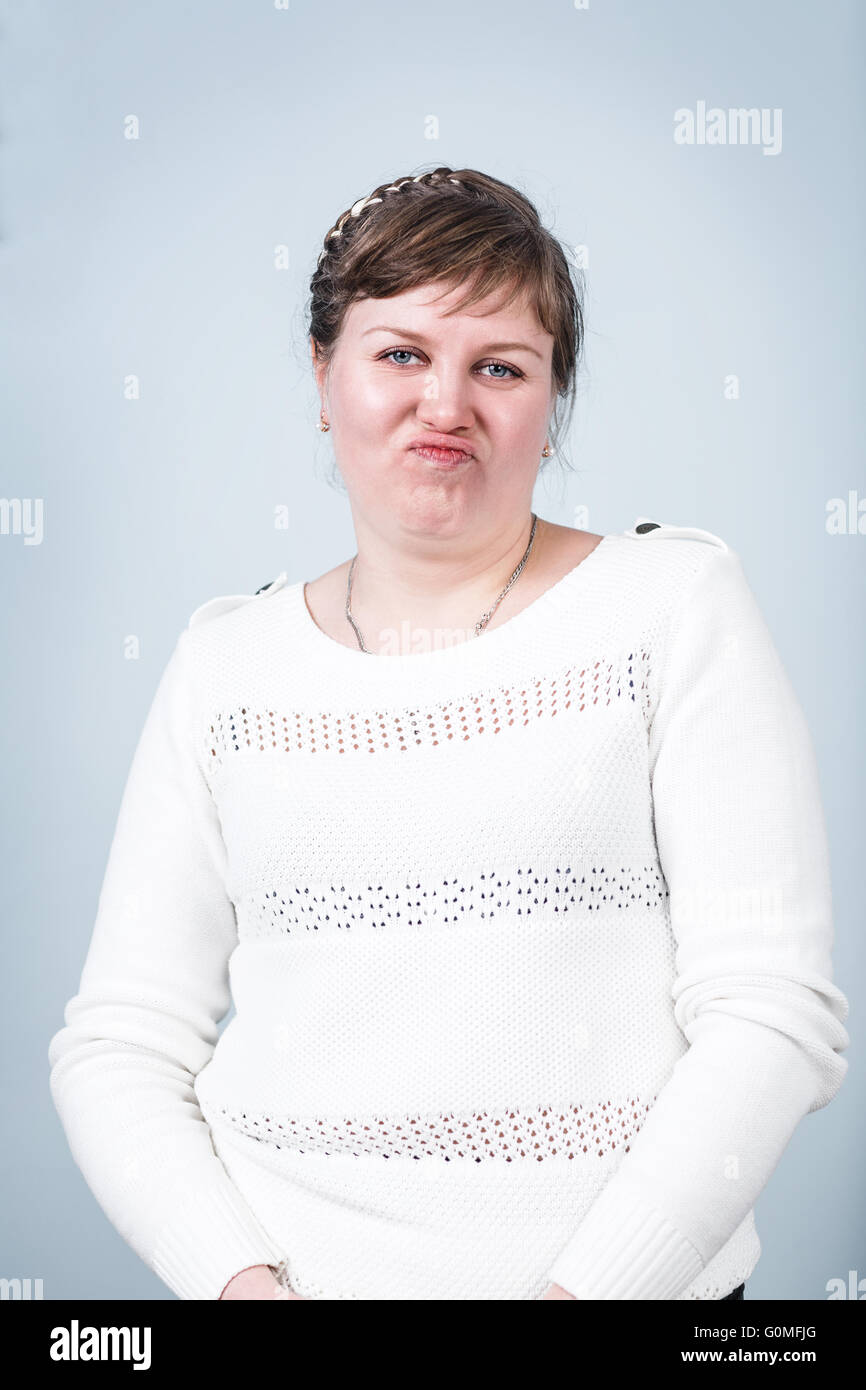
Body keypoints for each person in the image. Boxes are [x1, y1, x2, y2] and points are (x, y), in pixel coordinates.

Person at [48, 166, 850, 1302]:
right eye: (399, 354)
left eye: (500, 367)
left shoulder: (673, 606)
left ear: (551, 398)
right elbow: (122, 1042)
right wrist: (235, 1283)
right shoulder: (223, 666)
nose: (445, 403)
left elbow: (771, 1012)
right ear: (322, 376)